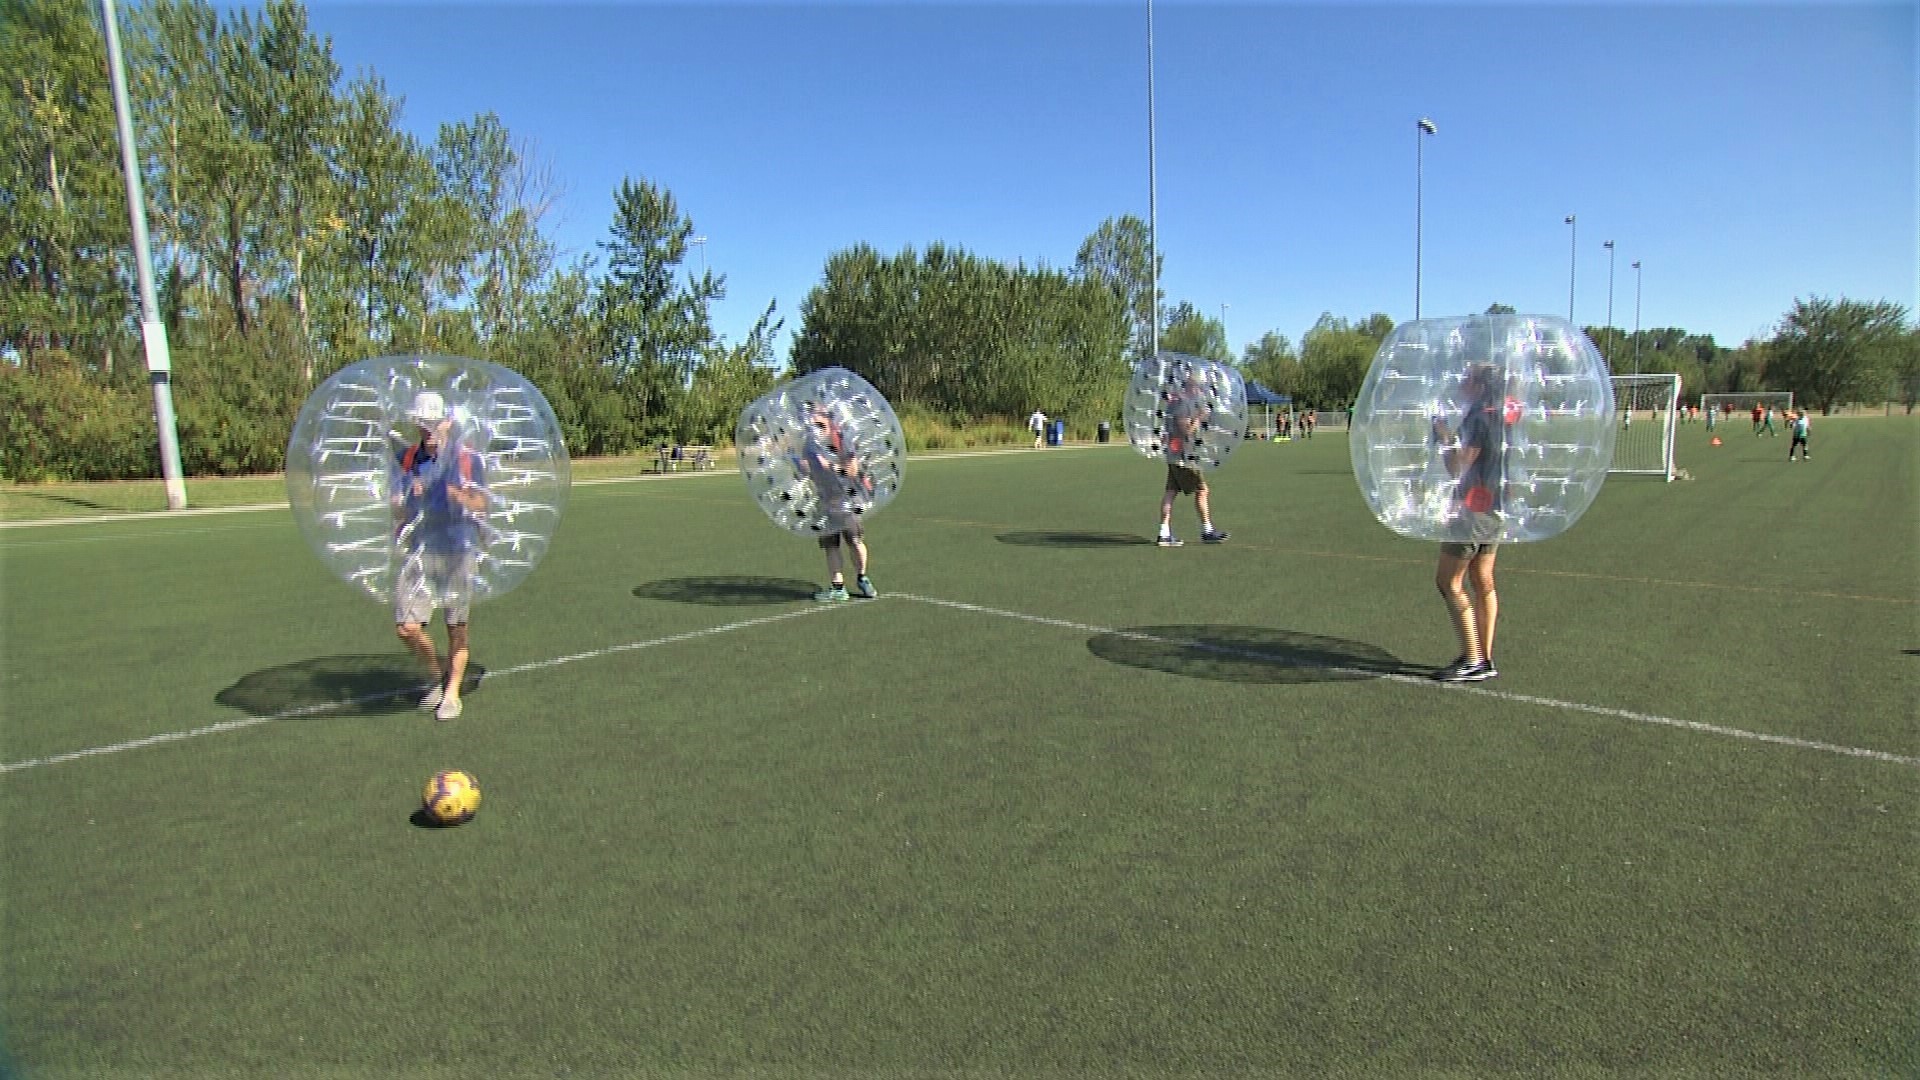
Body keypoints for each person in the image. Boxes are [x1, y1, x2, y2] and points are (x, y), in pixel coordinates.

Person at [392, 390, 488, 720]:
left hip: (457, 550)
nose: (429, 431)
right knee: (406, 626)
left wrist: (456, 494)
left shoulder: (466, 460)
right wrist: (405, 498)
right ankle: (434, 676)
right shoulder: (407, 459)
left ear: (448, 422)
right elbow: (398, 506)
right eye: (422, 424)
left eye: (434, 424)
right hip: (420, 550)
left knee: (456, 627)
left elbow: (481, 504)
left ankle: (452, 694)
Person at [1429, 364, 1503, 683]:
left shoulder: (1477, 417)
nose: (1462, 381)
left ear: (1479, 385)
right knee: (1483, 579)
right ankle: (1484, 658)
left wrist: (1443, 434)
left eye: (1467, 377)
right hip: (1495, 508)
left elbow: (1458, 467)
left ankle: (1472, 659)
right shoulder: (1497, 414)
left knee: (1449, 582)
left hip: (1472, 512)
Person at [801, 402, 876, 601]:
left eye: (820, 424)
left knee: (855, 541)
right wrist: (803, 465)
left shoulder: (843, 440)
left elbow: (852, 471)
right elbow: (806, 471)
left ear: (828, 420)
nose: (815, 428)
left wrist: (830, 466)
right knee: (830, 545)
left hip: (848, 498)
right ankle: (838, 586)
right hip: (824, 500)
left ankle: (862, 577)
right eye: (812, 423)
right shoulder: (809, 444)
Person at [1155, 367, 1228, 547]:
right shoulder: (1182, 403)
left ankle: (1164, 533)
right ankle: (1207, 530)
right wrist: (1200, 417)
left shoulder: (1175, 402)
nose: (1200, 391)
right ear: (1191, 385)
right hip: (1183, 455)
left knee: (1171, 492)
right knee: (1202, 490)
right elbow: (1185, 430)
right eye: (1198, 387)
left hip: (1175, 453)